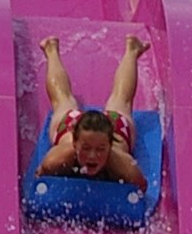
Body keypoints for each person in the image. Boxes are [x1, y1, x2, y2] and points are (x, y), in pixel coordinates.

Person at [36, 35, 150, 189]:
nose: (92, 156)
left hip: (115, 125)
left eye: (101, 149)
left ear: (110, 145)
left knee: (122, 99)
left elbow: (142, 186)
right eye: (86, 148)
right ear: (75, 143)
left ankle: (132, 49)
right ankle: (51, 49)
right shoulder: (56, 160)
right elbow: (40, 174)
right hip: (71, 122)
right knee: (61, 99)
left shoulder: (123, 166)